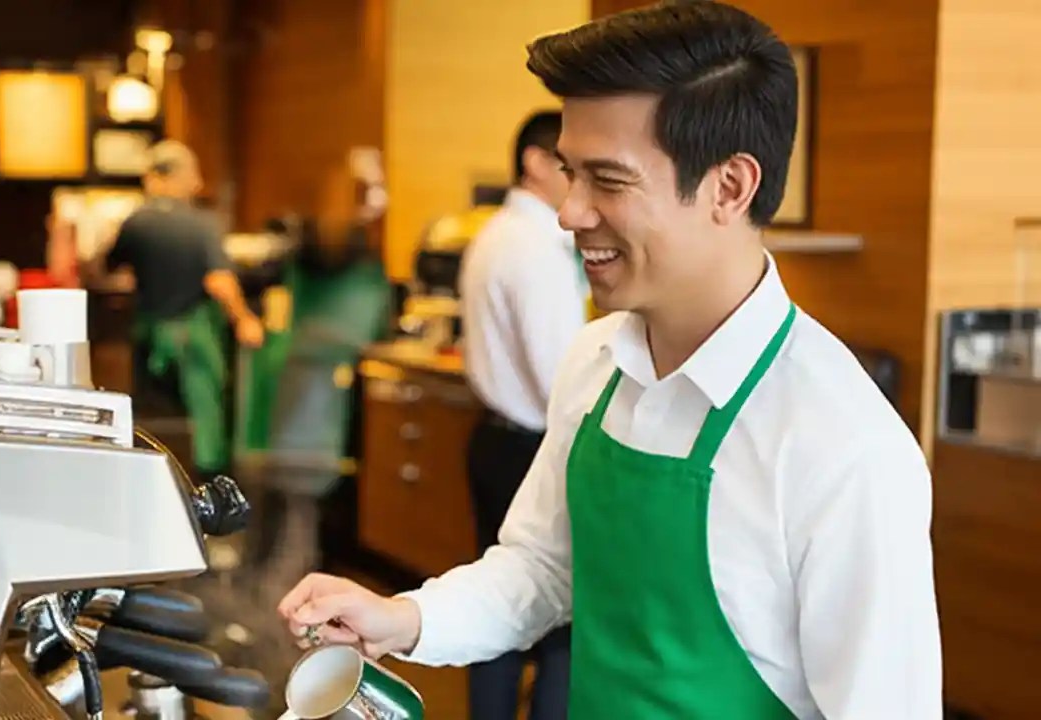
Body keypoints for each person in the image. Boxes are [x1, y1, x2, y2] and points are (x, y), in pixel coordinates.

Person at [278, 3, 941, 719]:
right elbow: (541, 568)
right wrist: (405, 617)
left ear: (730, 187)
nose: (569, 212)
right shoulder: (597, 359)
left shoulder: (844, 444)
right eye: (569, 173)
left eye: (608, 180)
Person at [455, 110, 583, 720]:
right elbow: (561, 374)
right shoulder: (534, 247)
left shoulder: (498, 231)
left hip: (496, 437)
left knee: (500, 611)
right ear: (536, 162)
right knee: (560, 623)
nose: (580, 184)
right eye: (572, 164)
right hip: (532, 444)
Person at [100, 140, 264, 476]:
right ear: (175, 177)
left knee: (155, 421)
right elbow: (219, 280)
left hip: (149, 338)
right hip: (193, 339)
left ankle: (156, 481)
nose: (198, 185)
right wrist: (244, 318)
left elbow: (107, 268)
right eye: (193, 176)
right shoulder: (202, 225)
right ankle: (205, 491)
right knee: (204, 421)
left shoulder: (136, 223)